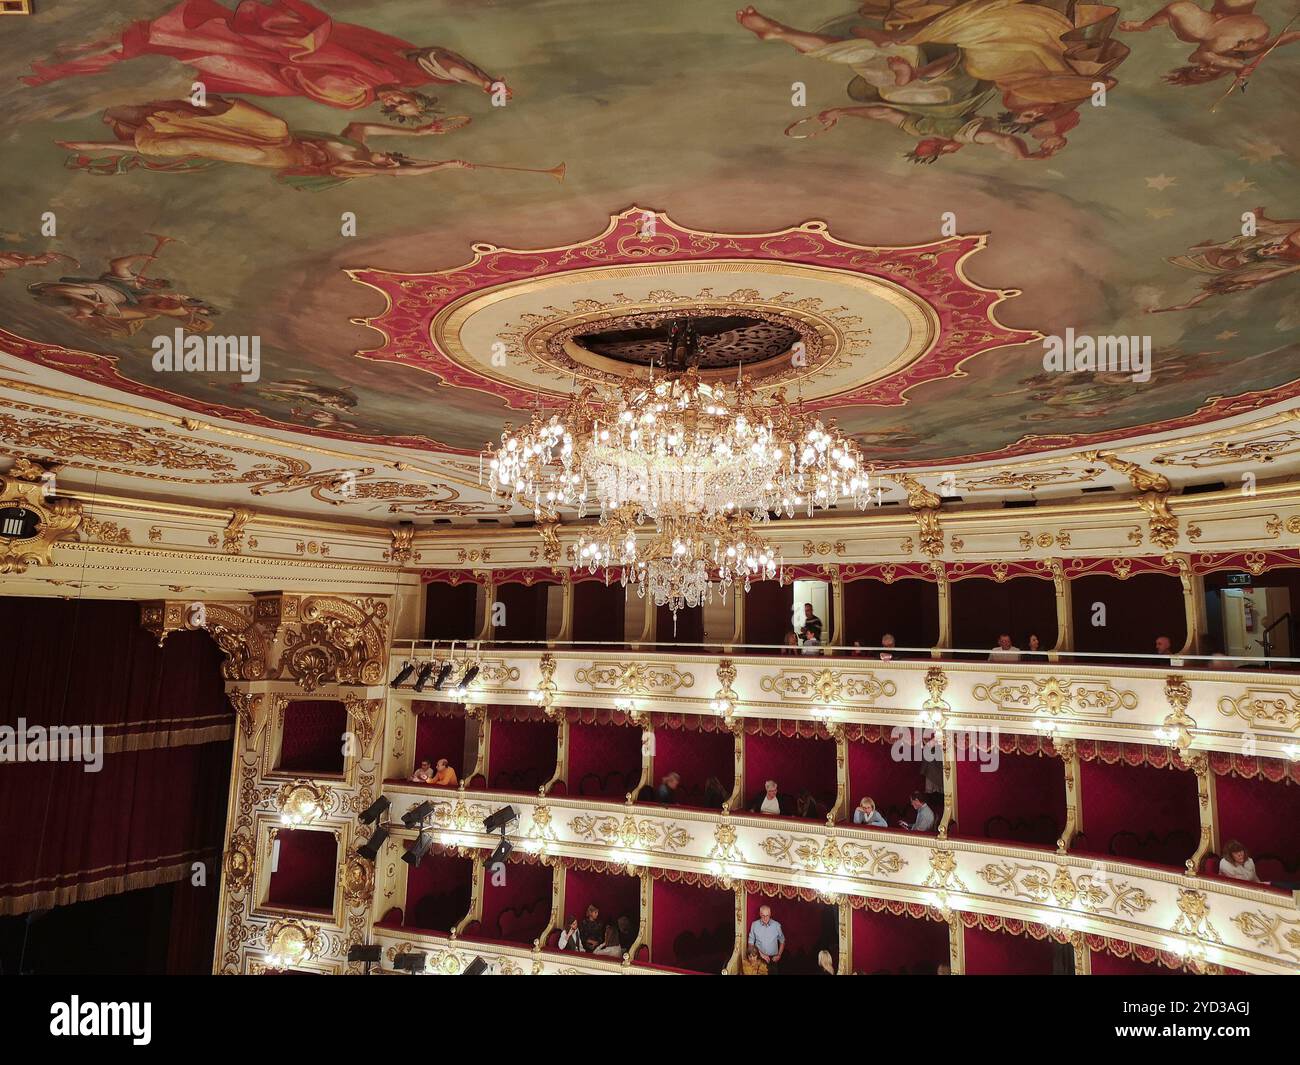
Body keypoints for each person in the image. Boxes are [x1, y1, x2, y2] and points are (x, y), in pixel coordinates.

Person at [748, 905, 785, 974]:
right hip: (759, 958)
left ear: (770, 914)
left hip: (773, 959)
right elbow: (750, 944)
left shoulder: (777, 925)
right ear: (760, 914)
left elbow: (782, 941)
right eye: (763, 915)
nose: (765, 918)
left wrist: (779, 955)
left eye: (767, 915)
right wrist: (761, 954)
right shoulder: (754, 925)